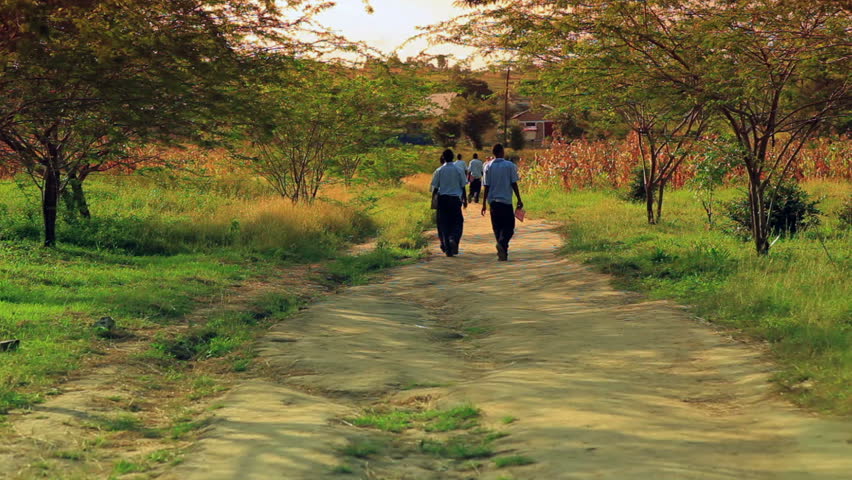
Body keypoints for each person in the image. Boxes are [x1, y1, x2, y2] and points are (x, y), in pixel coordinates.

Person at [481, 144, 523, 261]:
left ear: (494, 153)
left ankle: (502, 249)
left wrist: (484, 203)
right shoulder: (510, 166)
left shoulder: (487, 166)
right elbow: (514, 183)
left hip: (493, 202)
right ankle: (502, 244)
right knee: (509, 227)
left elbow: (486, 186)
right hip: (506, 202)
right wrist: (519, 199)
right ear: (502, 152)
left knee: (497, 227)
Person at [431, 149, 468, 256]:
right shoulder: (459, 170)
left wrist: (434, 201)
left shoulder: (439, 170)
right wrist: (464, 199)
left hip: (443, 199)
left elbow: (435, 188)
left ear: (443, 157)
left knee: (443, 224)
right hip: (455, 199)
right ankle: (453, 239)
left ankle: (447, 247)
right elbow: (463, 186)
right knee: (457, 222)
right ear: (453, 157)